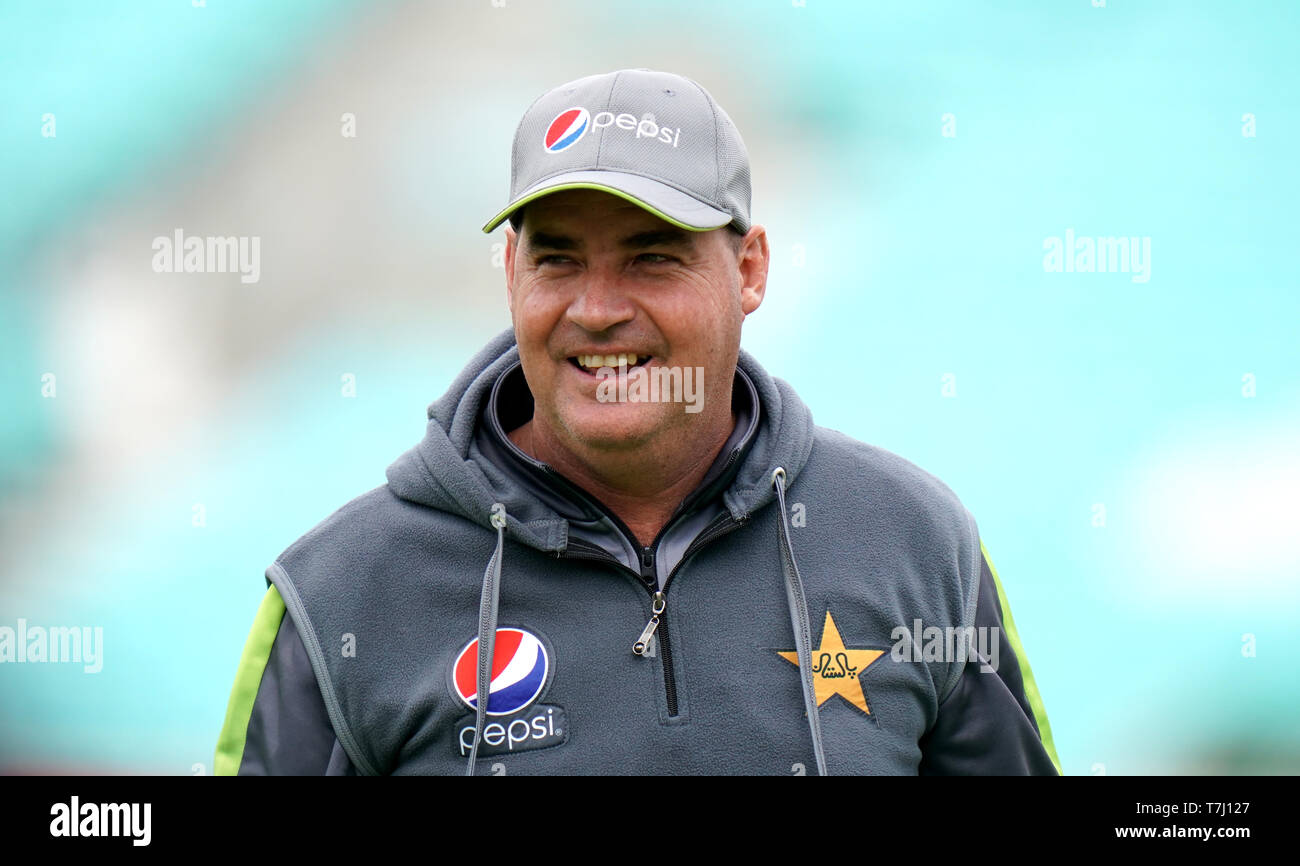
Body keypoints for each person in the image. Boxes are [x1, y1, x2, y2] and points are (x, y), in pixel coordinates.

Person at [215, 68, 1061, 776]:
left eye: (652, 257)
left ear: (751, 270)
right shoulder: (340, 594)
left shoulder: (915, 541)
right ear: (512, 272)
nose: (596, 309)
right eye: (558, 259)